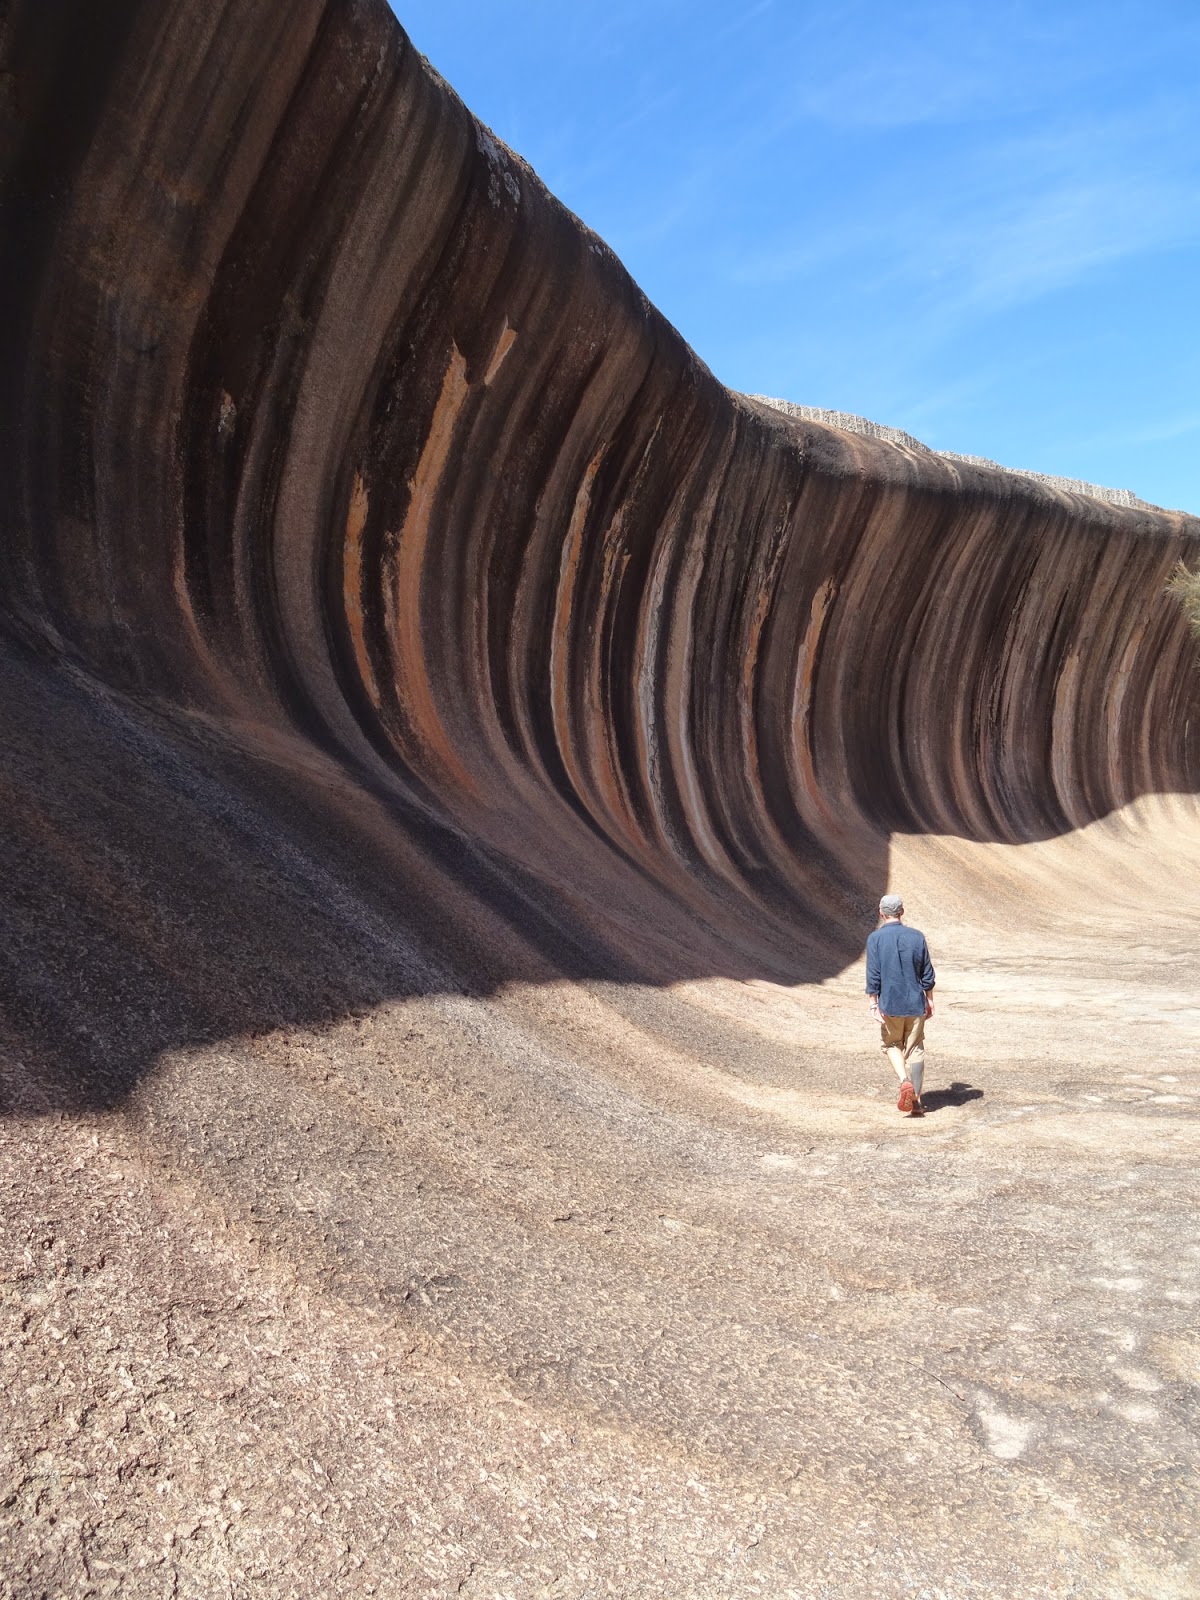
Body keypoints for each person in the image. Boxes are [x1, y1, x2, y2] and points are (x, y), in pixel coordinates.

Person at [865, 893, 935, 1117]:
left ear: (881, 913)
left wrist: (873, 1003)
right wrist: (930, 1000)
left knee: (891, 1043)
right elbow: (927, 973)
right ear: (902, 912)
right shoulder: (917, 937)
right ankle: (916, 1100)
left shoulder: (875, 939)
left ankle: (904, 1080)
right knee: (916, 1050)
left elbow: (873, 974)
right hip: (916, 1002)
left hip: (889, 1004)